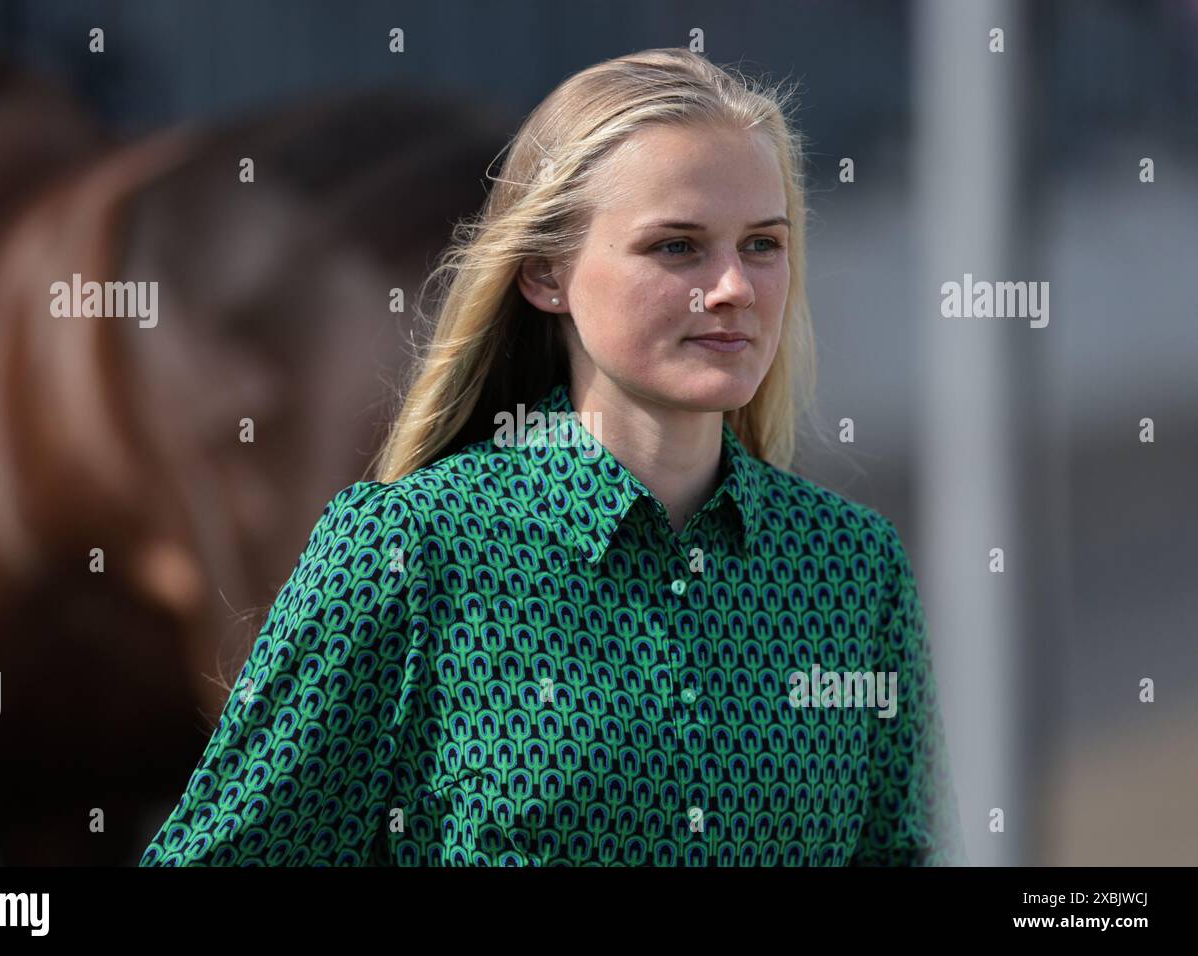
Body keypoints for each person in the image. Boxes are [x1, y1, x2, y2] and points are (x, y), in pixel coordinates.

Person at [140, 46, 966, 866]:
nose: (734, 289)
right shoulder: (414, 551)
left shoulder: (853, 568)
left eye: (762, 244)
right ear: (544, 273)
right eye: (677, 246)